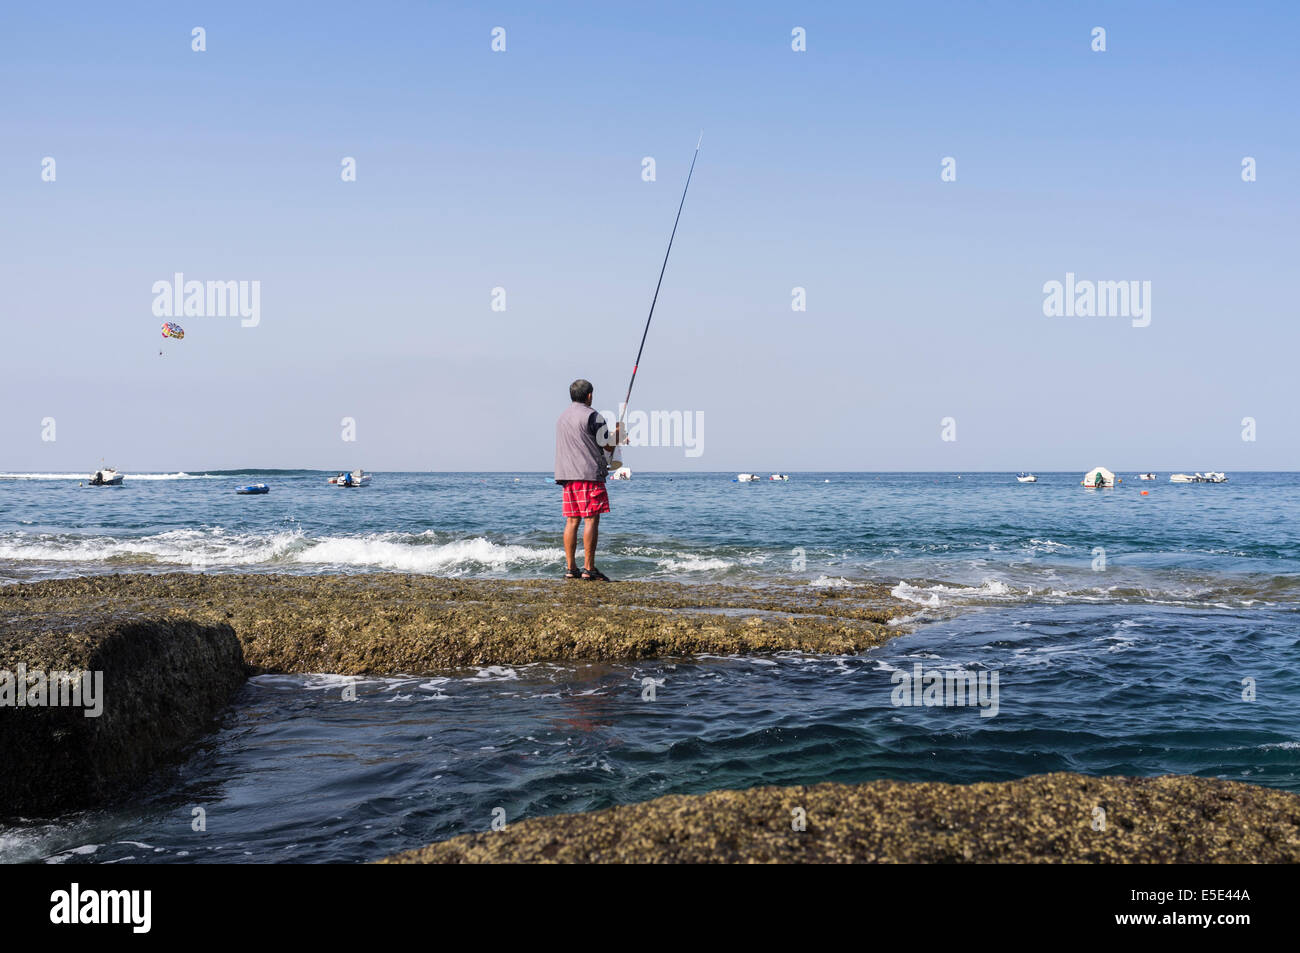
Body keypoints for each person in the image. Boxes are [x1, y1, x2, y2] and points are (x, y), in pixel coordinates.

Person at [555, 379, 623, 580]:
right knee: (591, 519)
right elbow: (608, 446)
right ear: (589, 395)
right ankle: (589, 569)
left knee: (572, 520)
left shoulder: (562, 418)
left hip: (567, 476)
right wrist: (618, 433)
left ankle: (570, 569)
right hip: (589, 475)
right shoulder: (593, 416)